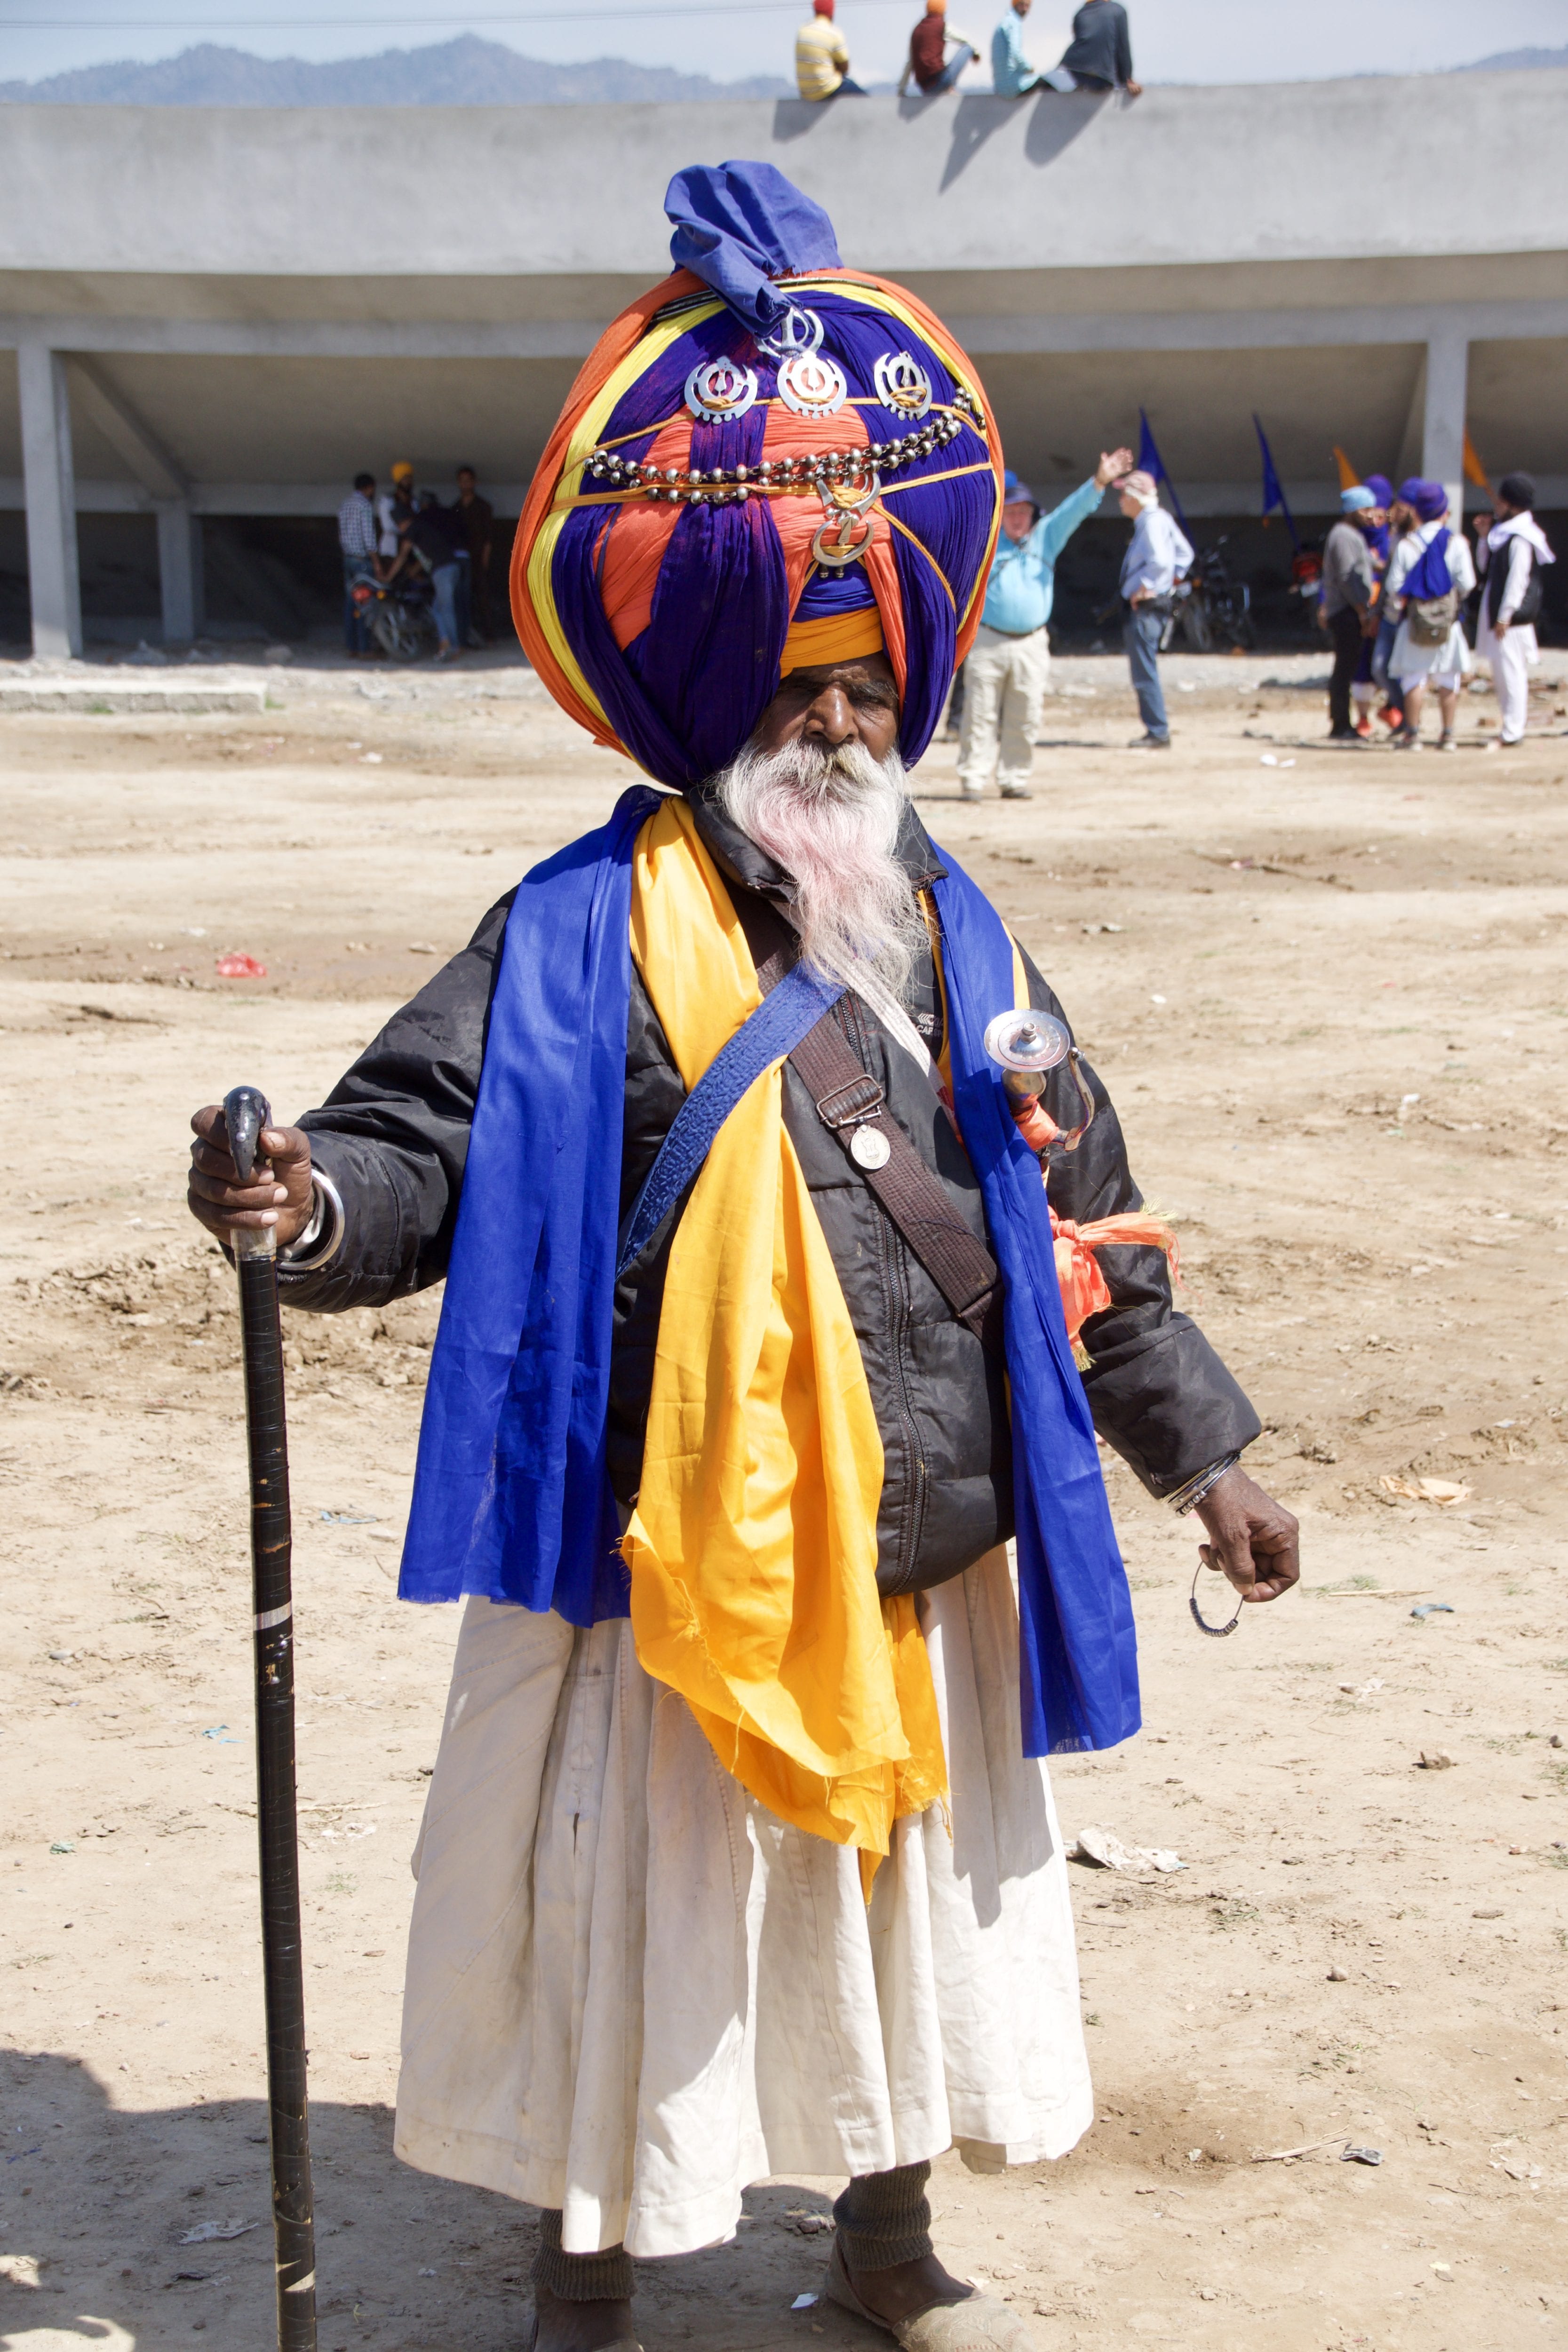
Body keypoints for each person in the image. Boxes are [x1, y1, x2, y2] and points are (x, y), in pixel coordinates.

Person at [185, 159, 1298, 2352]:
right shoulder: (579, 934)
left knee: (896, 1896)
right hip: (660, 1537)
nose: (839, 731)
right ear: (710, 712)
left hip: (918, 1528)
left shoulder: (963, 931)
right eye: (799, 700)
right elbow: (412, 1148)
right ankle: (591, 2242)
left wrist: (1210, 1454)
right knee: (629, 1909)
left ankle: (882, 2234)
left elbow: (1086, 1225)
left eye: (869, 697)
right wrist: (302, 1205)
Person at [957, 448, 1132, 800]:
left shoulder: (1046, 538)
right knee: (978, 715)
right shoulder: (986, 542)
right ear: (1000, 516)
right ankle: (972, 781)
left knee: (1026, 714)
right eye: (1010, 512)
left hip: (1031, 643)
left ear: (1033, 515)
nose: (1017, 519)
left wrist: (1099, 480)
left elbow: (1074, 510)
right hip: (988, 641)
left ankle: (1014, 779)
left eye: (1023, 512)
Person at [1385, 477, 1475, 752]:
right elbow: (1468, 583)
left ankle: (1413, 735)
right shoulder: (1457, 543)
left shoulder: (1406, 545)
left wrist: (1413, 597)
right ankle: (1448, 735)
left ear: (1417, 512)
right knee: (1449, 678)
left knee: (1414, 678)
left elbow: (1393, 587)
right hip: (1449, 622)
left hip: (1415, 621)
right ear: (1443, 511)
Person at [1474, 471, 1556, 752]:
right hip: (1501, 617)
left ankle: (1512, 731)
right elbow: (1487, 570)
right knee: (1502, 673)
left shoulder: (1521, 537)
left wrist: (1504, 616)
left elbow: (1517, 581)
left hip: (1510, 620)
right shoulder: (1503, 534)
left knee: (1512, 673)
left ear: (1510, 503)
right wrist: (1484, 538)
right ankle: (1510, 726)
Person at [1115, 467, 1192, 749]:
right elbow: (1185, 554)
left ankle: (1157, 732)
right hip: (1157, 606)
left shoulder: (1150, 522)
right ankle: (1157, 729)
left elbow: (1160, 560)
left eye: (1124, 494)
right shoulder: (1161, 519)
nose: (1121, 499)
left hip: (1146, 608)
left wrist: (1148, 587)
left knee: (1144, 671)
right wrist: (1171, 581)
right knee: (1146, 668)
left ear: (1136, 497)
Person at [1319, 485, 1379, 744]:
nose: (1369, 515)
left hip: (1348, 610)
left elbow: (1367, 564)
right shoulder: (1343, 536)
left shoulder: (1351, 534)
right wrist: (1361, 610)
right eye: (1365, 510)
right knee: (1345, 669)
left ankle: (1343, 723)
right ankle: (1341, 724)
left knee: (1347, 666)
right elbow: (1346, 577)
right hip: (1345, 611)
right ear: (1353, 510)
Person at [1361, 472, 1405, 738]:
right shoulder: (1355, 535)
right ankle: (1363, 719)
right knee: (1366, 664)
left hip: (1389, 611)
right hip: (1363, 610)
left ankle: (1394, 709)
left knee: (1392, 665)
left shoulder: (1395, 538)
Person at [403, 489, 464, 662]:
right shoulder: (432, 525)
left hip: (443, 569)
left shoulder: (418, 525)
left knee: (446, 608)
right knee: (439, 607)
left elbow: (404, 555)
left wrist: (389, 575)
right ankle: (446, 641)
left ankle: (453, 647)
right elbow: (424, 559)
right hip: (452, 565)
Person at [336, 471, 382, 658]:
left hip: (348, 559)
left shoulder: (345, 505)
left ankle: (351, 647)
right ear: (370, 488)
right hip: (362, 562)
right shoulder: (364, 505)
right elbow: (369, 537)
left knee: (350, 605)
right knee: (365, 605)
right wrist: (377, 562)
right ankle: (365, 649)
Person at [450, 464, 495, 644]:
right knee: (464, 597)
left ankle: (489, 634)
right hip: (462, 559)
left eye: (469, 481)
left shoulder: (483, 506)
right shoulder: (455, 508)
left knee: (483, 597)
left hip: (479, 556)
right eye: (462, 481)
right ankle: (466, 636)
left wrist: (485, 558)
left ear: (474, 482)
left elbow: (489, 537)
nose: (466, 484)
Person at [1055, 0, 1141, 94]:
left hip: (1069, 70)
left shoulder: (1081, 12)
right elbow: (1123, 48)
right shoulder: (1118, 11)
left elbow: (1082, 40)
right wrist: (1127, 79)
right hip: (1100, 76)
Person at [899, 0, 980, 95]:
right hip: (940, 81)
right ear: (943, 10)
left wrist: (902, 89)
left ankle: (948, 90)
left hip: (925, 88)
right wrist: (976, 53)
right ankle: (948, 88)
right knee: (968, 48)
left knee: (941, 73)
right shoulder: (941, 25)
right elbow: (965, 39)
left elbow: (910, 63)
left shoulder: (917, 30)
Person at [796, 0, 865, 97]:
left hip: (805, 92)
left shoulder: (802, 31)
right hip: (826, 90)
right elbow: (845, 68)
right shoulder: (833, 33)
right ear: (832, 12)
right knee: (861, 95)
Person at [992, 0, 1043, 95]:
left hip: (999, 87)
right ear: (1014, 5)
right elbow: (1016, 53)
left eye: (1027, 6)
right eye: (1021, 5)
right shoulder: (1013, 22)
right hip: (1013, 86)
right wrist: (1029, 68)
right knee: (1049, 82)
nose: (1025, 9)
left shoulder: (1004, 22)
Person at [378, 459, 416, 563]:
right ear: (398, 480)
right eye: (405, 478)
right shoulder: (387, 501)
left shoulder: (414, 502)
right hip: (390, 550)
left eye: (410, 478)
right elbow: (387, 526)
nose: (408, 482)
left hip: (410, 549)